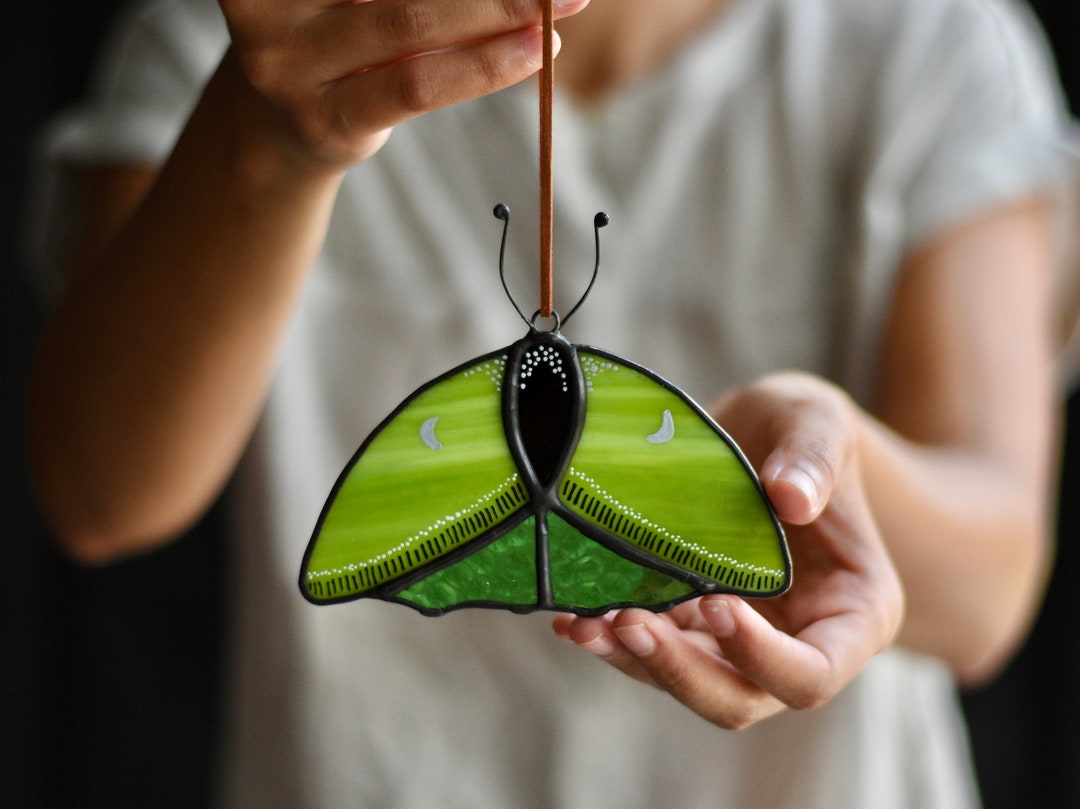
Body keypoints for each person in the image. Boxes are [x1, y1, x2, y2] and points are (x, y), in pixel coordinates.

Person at [27, 0, 1077, 805]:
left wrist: (832, 464)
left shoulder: (924, 44)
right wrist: (271, 139)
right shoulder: (250, 44)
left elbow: (988, 588)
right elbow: (98, 492)